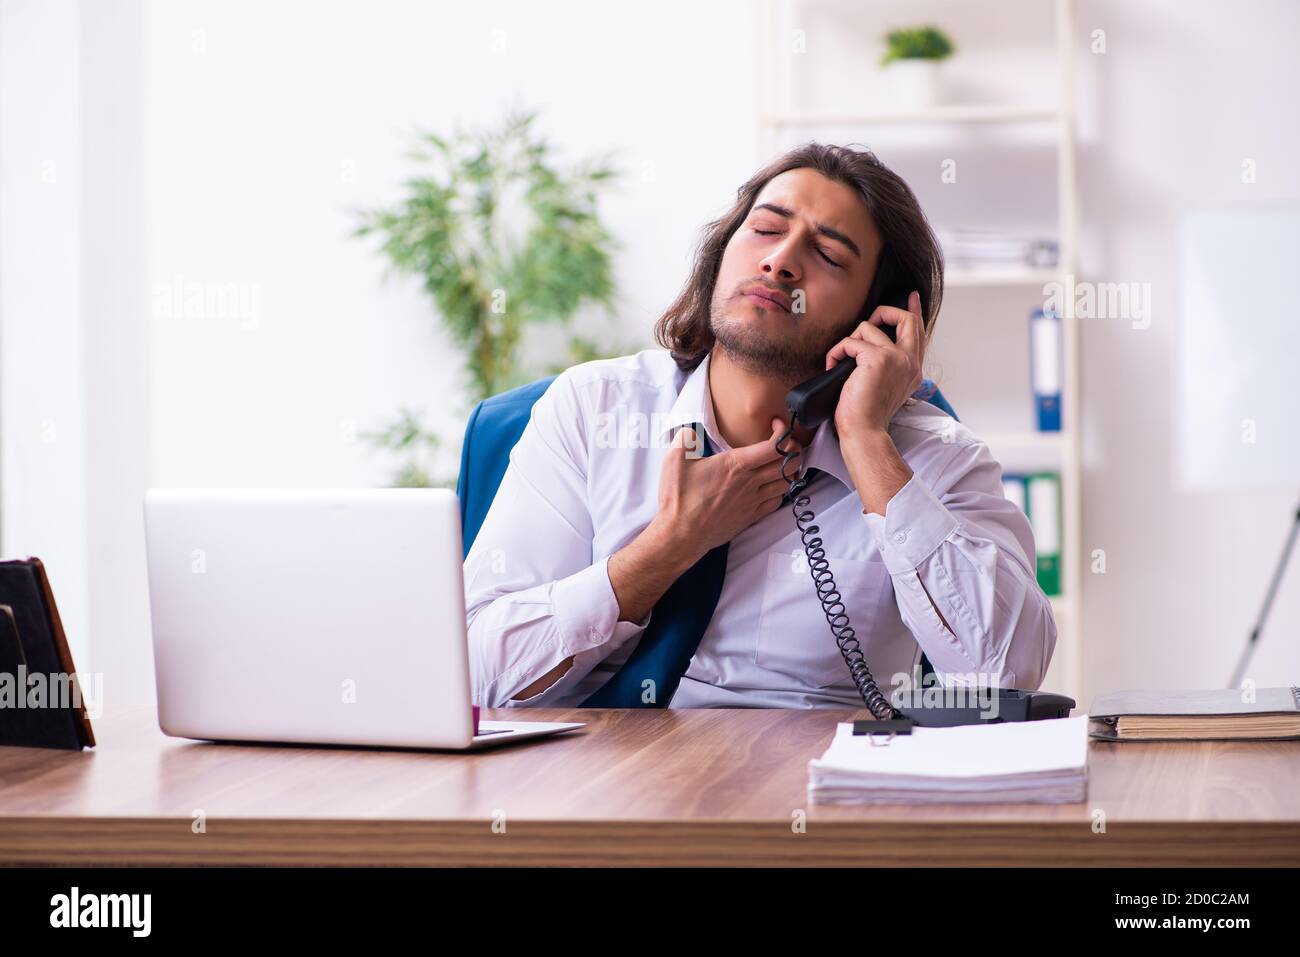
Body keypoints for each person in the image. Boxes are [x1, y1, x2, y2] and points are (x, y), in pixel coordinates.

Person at [464, 142, 1057, 709]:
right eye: (767, 230)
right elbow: (476, 673)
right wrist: (669, 547)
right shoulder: (593, 410)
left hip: (802, 791)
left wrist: (866, 442)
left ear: (878, 316)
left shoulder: (935, 458)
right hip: (594, 788)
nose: (780, 262)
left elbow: (1005, 671)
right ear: (723, 251)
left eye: (828, 255)